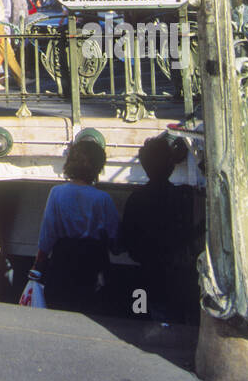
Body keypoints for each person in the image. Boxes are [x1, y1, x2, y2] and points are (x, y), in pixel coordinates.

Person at [31, 137, 119, 312]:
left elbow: (47, 235)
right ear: (98, 167)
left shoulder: (56, 193)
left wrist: (37, 266)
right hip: (92, 264)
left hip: (62, 261)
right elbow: (114, 239)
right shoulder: (103, 199)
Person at [120, 134, 201, 323]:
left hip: (145, 273)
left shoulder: (135, 199)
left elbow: (128, 239)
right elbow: (189, 236)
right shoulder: (184, 197)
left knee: (140, 318)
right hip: (176, 275)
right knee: (176, 322)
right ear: (171, 164)